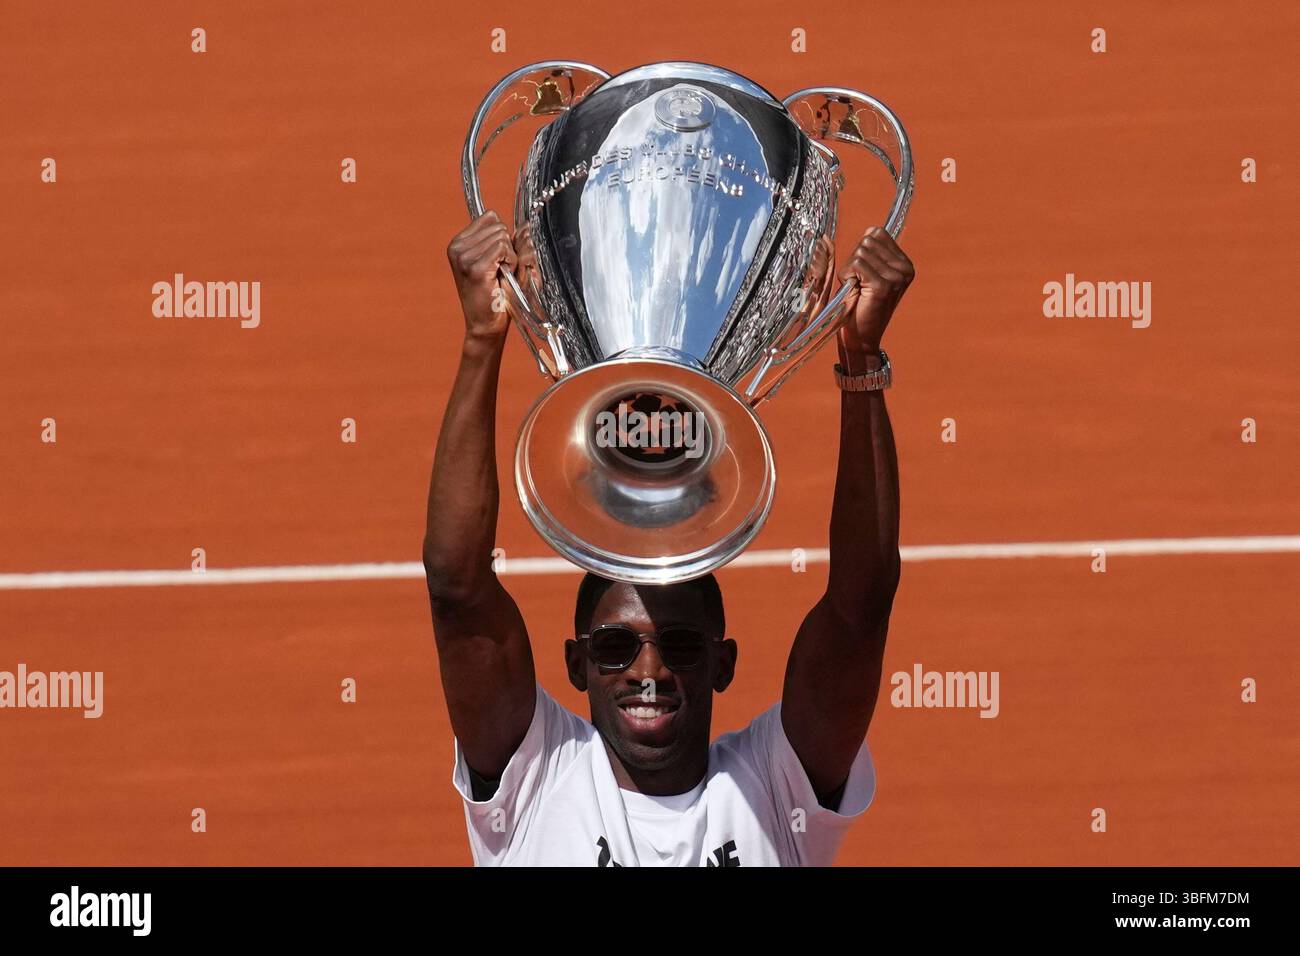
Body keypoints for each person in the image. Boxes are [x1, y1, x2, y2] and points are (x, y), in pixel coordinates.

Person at [423, 210, 914, 866]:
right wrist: (482, 341)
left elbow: (862, 607)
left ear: (723, 663)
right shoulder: (538, 776)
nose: (648, 671)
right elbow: (457, 589)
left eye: (680, 645)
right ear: (577, 664)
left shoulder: (772, 789)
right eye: (615, 647)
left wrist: (861, 360)